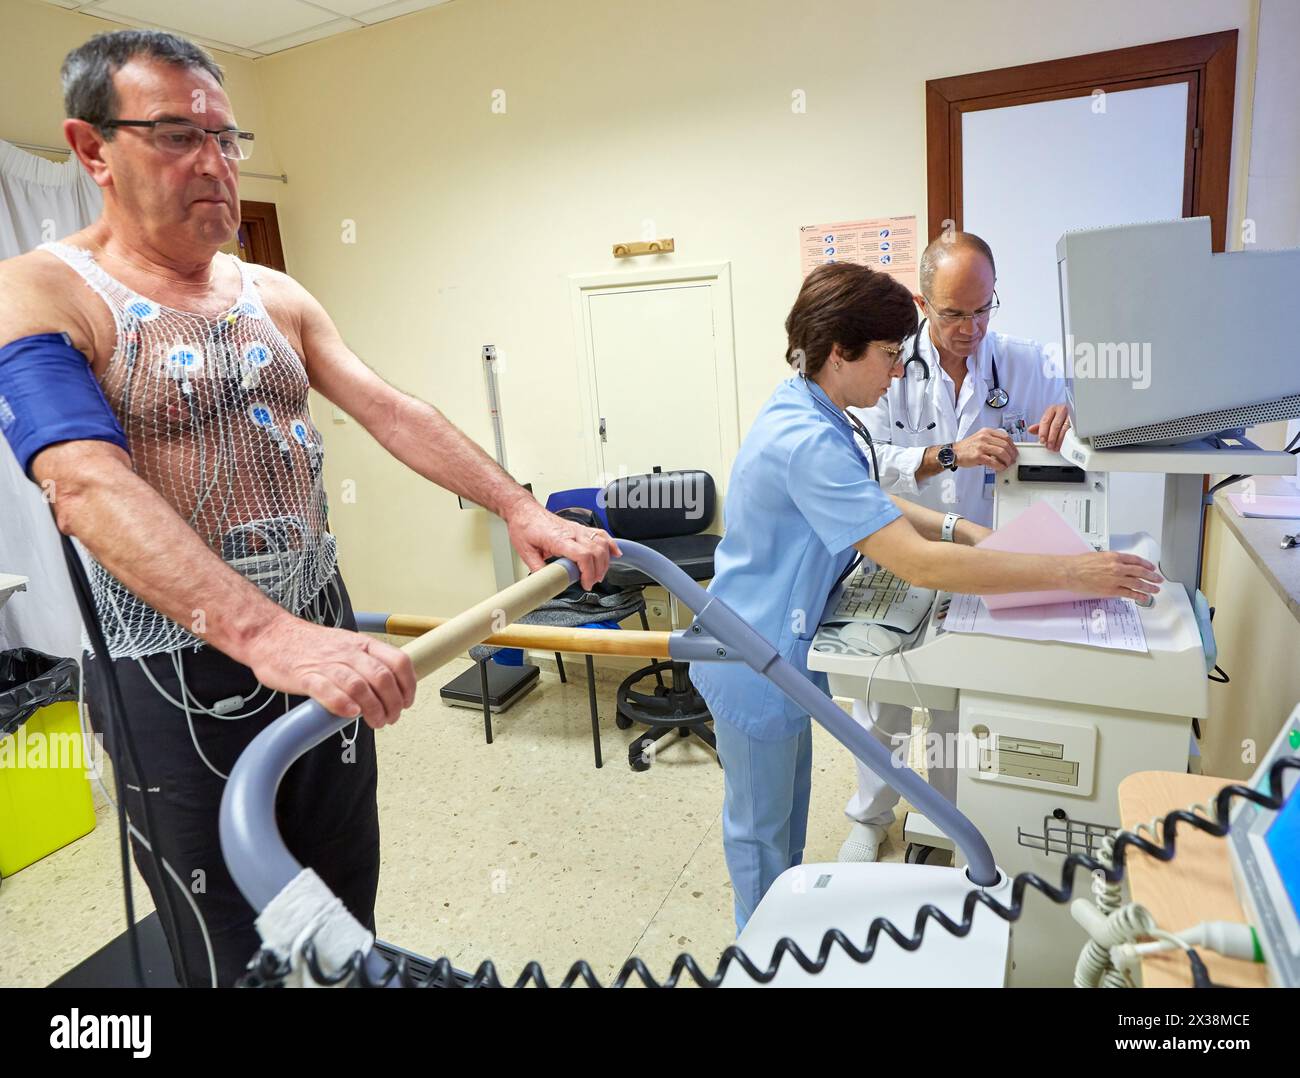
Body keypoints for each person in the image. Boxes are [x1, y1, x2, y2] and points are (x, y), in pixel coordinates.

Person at [0, 29, 618, 986]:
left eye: (225, 137)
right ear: (91, 151)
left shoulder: (274, 292)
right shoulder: (43, 292)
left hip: (318, 643)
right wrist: (267, 636)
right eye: (175, 136)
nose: (213, 163)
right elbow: (83, 483)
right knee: (238, 949)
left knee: (340, 911)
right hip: (176, 677)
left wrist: (516, 507)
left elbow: (388, 408)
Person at [688, 261, 1160, 931]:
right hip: (752, 659)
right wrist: (1071, 574)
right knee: (760, 838)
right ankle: (761, 956)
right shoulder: (805, 437)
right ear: (837, 351)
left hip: (783, 652)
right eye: (887, 356)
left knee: (784, 828)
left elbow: (868, 499)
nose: (896, 371)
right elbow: (916, 565)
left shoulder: (816, 408)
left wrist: (958, 526)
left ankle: (779, 935)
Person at [838, 231, 1072, 862]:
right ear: (923, 302)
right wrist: (947, 453)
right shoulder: (886, 366)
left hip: (987, 557)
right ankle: (869, 816)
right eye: (953, 313)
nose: (972, 327)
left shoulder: (1025, 362)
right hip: (902, 548)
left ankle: (944, 823)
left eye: (984, 308)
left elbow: (1099, 402)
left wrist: (1073, 413)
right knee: (883, 694)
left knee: (959, 701)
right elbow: (862, 459)